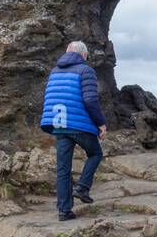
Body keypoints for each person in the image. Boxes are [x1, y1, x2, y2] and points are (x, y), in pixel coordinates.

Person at [38, 40, 106, 221]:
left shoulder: (54, 71)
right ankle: (82, 187)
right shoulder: (86, 70)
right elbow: (90, 100)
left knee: (63, 169)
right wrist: (100, 123)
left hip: (59, 124)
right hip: (78, 124)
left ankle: (64, 211)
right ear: (83, 55)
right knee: (95, 154)